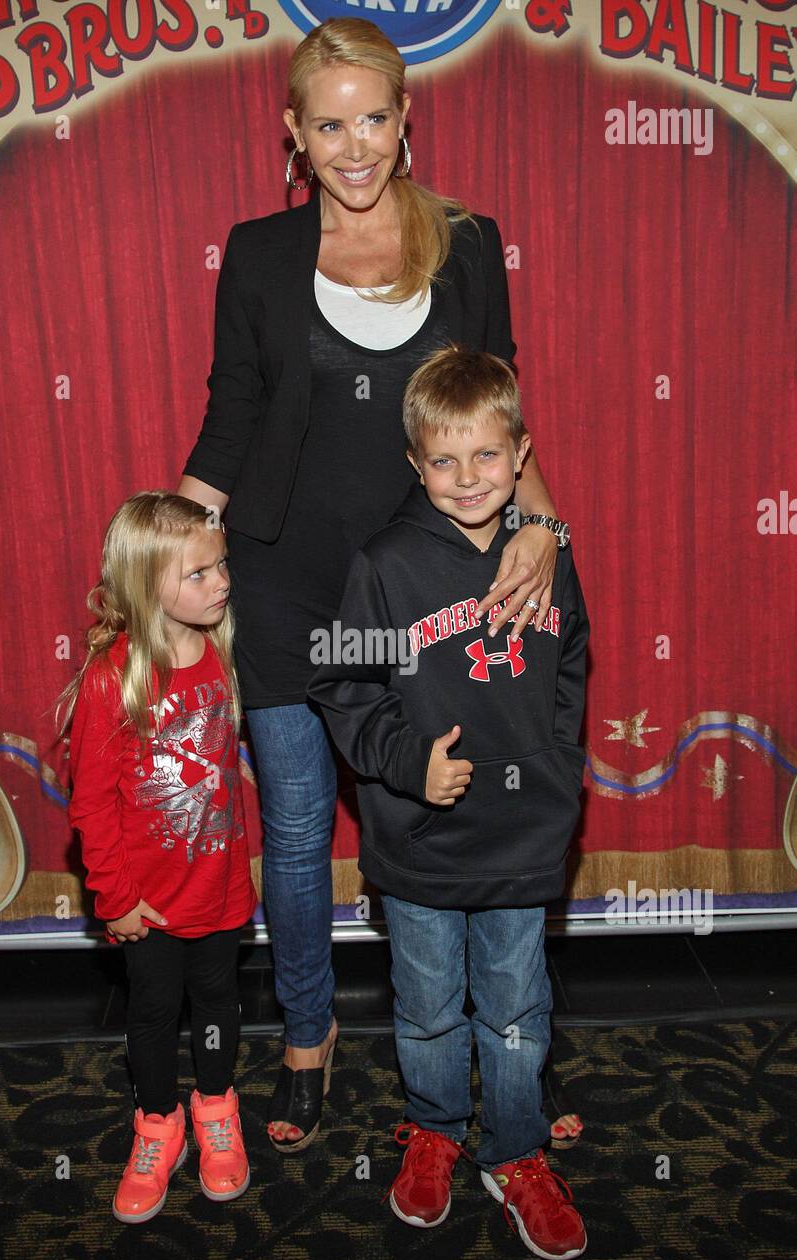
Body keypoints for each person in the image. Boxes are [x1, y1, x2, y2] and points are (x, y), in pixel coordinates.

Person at [178, 17, 573, 1151]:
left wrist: (541, 521)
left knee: (467, 806)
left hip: (428, 601)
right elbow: (231, 414)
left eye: (374, 118)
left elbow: (498, 406)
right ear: (294, 136)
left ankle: (510, 1055)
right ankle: (307, 1044)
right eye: (329, 123)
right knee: (299, 832)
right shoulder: (256, 252)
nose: (355, 145)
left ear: (406, 121)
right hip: (294, 593)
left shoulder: (466, 241)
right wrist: (164, 551)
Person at [306, 346, 589, 1260]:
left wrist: (557, 759)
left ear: (521, 453)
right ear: (415, 463)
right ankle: (433, 1129)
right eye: (444, 460)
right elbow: (342, 682)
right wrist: (403, 764)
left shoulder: (546, 557)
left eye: (488, 457)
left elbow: (573, 660)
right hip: (421, 837)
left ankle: (516, 1152)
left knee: (516, 1006)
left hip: (522, 836)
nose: (468, 479)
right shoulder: (385, 565)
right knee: (428, 1005)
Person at [57, 492, 257, 1223]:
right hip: (148, 901)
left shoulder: (221, 652)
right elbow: (92, 807)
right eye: (200, 573)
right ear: (148, 585)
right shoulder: (116, 676)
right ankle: (157, 1124)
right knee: (151, 1012)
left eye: (221, 564)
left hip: (220, 889)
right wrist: (113, 898)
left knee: (217, 1006)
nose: (222, 581)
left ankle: (215, 1111)